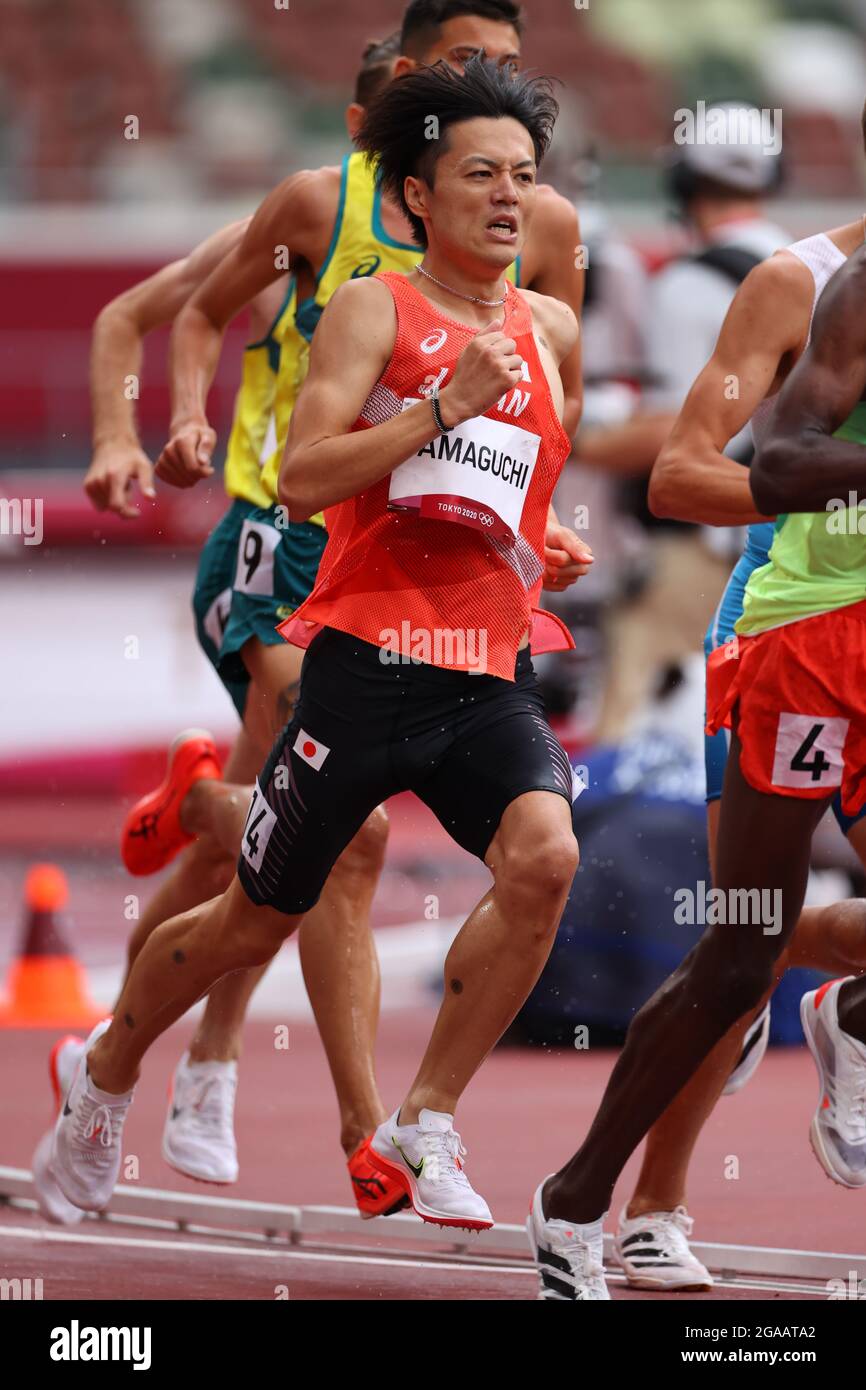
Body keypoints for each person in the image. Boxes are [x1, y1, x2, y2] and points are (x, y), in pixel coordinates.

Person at [51, 57, 589, 1233]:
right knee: (253, 920)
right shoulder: (370, 308)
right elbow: (299, 480)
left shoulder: (549, 327)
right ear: (416, 196)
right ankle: (101, 1081)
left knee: (545, 857)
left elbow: (521, 484)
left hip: (483, 672)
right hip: (361, 667)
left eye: (525, 177)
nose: (510, 198)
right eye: (481, 176)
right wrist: (437, 408)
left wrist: (546, 534)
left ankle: (423, 1117)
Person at [31, 36, 406, 1226]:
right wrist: (123, 435)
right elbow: (138, 315)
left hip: (377, 566)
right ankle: (221, 1064)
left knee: (253, 842)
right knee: (319, 824)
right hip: (269, 536)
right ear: (367, 127)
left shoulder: (485, 245)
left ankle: (132, 1039)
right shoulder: (308, 213)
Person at [528, 230, 866, 1299]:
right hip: (793, 629)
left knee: (751, 937)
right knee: (739, 944)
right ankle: (601, 1204)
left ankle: (842, 1013)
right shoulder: (802, 284)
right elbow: (684, 475)